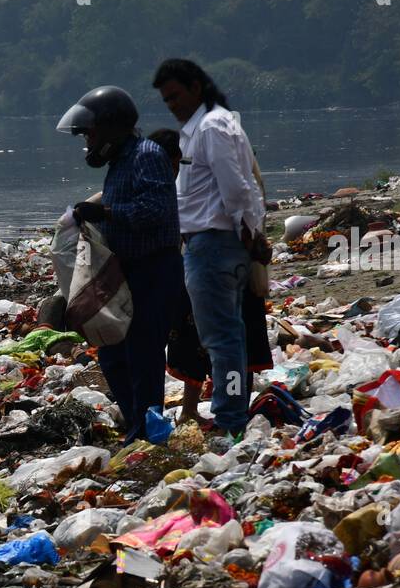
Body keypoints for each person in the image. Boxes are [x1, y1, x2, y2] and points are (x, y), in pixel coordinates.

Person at [55, 85, 182, 445]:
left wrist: (106, 212)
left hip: (155, 269)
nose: (88, 141)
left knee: (143, 355)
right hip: (126, 271)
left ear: (112, 127)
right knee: (112, 354)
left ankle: (149, 434)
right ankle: (136, 426)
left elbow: (156, 211)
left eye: (90, 133)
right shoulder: (119, 164)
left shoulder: (146, 155)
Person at [153, 59, 270, 438]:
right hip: (214, 243)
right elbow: (245, 186)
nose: (172, 105)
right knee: (228, 338)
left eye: (176, 96)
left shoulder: (212, 126)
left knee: (223, 342)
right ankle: (231, 415)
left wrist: (251, 232)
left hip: (214, 244)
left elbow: (237, 186)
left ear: (196, 88)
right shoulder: (205, 127)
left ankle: (230, 419)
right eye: (166, 100)